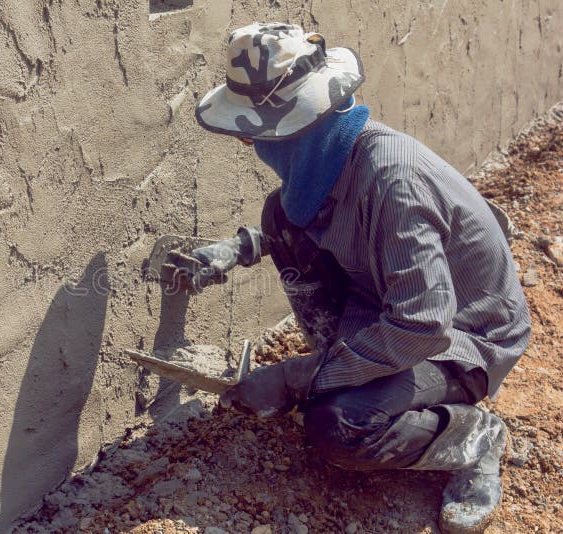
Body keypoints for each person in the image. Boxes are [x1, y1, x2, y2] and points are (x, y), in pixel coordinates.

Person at [185, 22, 531, 534]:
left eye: (254, 132)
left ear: (298, 125)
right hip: (389, 302)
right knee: (280, 216)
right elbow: (331, 223)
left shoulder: (394, 182)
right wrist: (240, 248)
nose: (248, 143)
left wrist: (294, 377)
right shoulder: (330, 157)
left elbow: (423, 326)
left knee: (339, 428)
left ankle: (474, 437)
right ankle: (343, 372)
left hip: (463, 335)